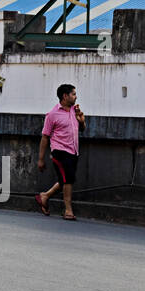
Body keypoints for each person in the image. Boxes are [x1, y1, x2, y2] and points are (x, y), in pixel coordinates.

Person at [35, 83, 85, 221]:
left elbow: (82, 129)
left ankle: (44, 196)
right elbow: (45, 136)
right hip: (59, 151)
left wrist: (81, 121)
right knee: (68, 178)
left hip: (73, 150)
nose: (76, 97)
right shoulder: (52, 114)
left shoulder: (74, 111)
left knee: (66, 180)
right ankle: (68, 210)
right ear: (65, 96)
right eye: (73, 94)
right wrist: (40, 159)